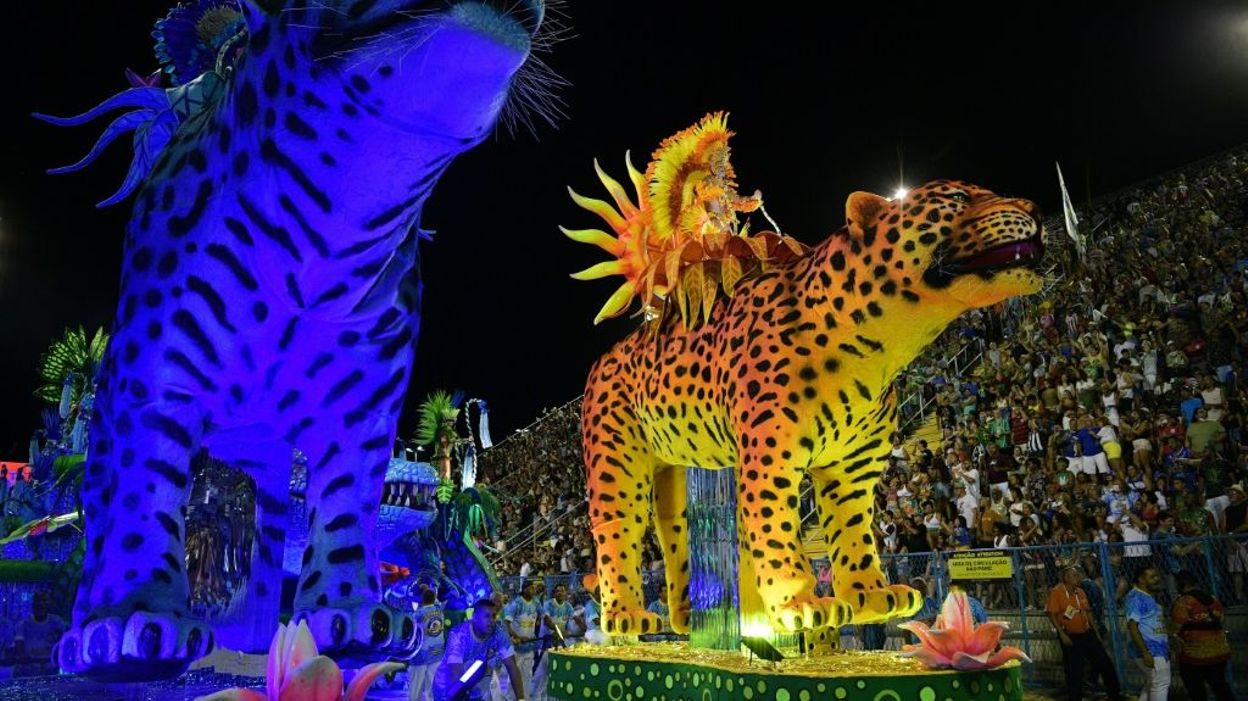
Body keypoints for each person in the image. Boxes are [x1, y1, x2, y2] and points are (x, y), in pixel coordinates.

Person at [1046, 566, 1123, 701]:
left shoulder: (1080, 592)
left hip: (1087, 633)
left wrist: (1096, 632)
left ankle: (1114, 694)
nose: (1078, 578)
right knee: (1075, 669)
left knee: (1104, 662)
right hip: (1070, 635)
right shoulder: (1057, 592)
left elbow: (1088, 612)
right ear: (1066, 578)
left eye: (1078, 575)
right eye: (1074, 575)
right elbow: (1051, 614)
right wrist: (1062, 635)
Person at [431, 598, 526, 701]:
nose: (491, 621)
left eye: (494, 616)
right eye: (487, 616)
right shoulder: (458, 636)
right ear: (475, 617)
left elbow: (512, 667)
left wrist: (521, 699)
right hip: (447, 689)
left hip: (475, 687)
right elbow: (456, 677)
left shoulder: (498, 633)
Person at [1170, 570, 1234, 701]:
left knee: (1196, 690)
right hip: (1219, 651)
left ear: (1180, 584)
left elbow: (1176, 627)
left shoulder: (1183, 602)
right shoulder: (1213, 599)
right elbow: (1221, 620)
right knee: (1220, 687)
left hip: (1194, 655)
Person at [1124, 567, 1170, 700]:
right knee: (1160, 683)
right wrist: (1145, 652)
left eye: (1156, 576)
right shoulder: (1136, 598)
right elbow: (1132, 626)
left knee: (1153, 683)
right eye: (1152, 577)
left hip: (1156, 648)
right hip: (1150, 649)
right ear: (1141, 580)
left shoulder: (1145, 596)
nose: (1157, 579)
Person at [502, 580, 542, 698]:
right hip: (516, 648)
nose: (534, 590)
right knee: (514, 676)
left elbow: (544, 615)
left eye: (534, 587)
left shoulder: (536, 602)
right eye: (531, 587)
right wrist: (518, 637)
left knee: (527, 676)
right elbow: (507, 623)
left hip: (529, 647)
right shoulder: (517, 603)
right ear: (524, 589)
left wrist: (541, 621)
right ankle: (510, 698)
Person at [408, 582, 445, 701]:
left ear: (421, 599)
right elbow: (435, 600)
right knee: (433, 686)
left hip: (421, 654)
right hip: (437, 653)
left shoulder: (418, 614)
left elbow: (411, 629)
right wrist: (427, 589)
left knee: (416, 687)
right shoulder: (440, 610)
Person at [14, 591, 65, 668]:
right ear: (32, 604)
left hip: (52, 668)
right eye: (37, 601)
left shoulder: (57, 622)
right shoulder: (23, 624)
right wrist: (23, 656)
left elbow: (63, 643)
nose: (40, 604)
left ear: (49, 604)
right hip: (30, 668)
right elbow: (19, 645)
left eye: (44, 601)